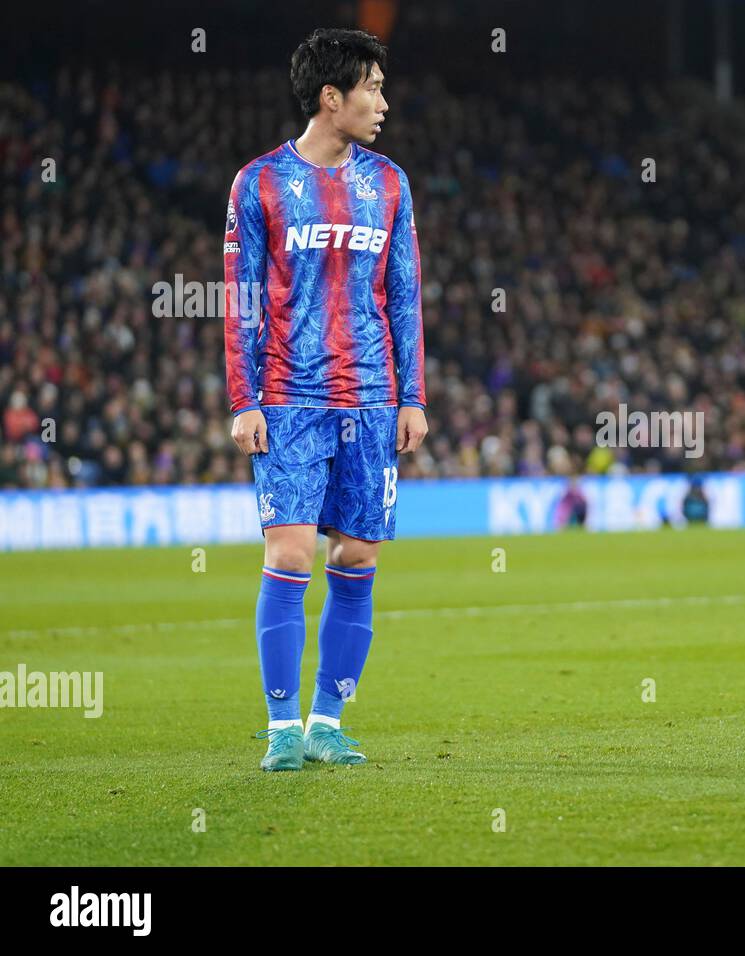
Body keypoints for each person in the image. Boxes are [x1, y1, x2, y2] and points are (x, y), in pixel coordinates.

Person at [224, 29, 427, 771]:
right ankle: (282, 732)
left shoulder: (392, 184)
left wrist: (415, 394)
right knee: (291, 550)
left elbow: (403, 295)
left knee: (358, 555)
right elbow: (243, 300)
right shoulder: (260, 183)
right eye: (370, 87)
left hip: (373, 399)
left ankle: (327, 721)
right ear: (330, 97)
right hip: (288, 395)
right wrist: (244, 397)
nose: (383, 101)